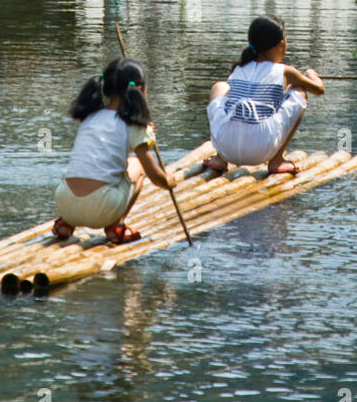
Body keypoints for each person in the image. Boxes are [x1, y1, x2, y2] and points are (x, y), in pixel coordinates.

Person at [53, 57, 175, 244]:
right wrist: (169, 181)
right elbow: (155, 177)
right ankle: (116, 225)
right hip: (102, 208)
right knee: (136, 165)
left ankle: (67, 223)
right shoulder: (133, 124)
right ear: (140, 90)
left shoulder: (89, 116)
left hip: (64, 201)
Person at [205, 15, 324, 177]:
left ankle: (220, 158)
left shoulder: (238, 68)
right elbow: (319, 89)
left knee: (220, 87)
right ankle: (276, 160)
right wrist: (310, 73)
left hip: (227, 148)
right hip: (260, 149)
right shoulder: (285, 71)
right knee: (299, 92)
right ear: (282, 44)